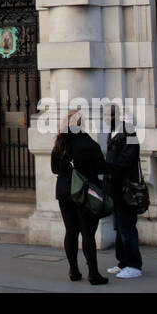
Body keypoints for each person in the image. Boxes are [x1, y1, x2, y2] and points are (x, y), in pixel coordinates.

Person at [50, 107, 108, 285]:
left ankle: (73, 270)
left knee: (71, 231)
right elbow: (101, 169)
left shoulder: (60, 145)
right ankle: (93, 273)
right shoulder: (90, 145)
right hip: (84, 194)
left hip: (64, 193)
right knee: (88, 234)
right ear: (81, 125)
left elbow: (54, 169)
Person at [105, 107, 143, 279]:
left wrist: (108, 167)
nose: (107, 118)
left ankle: (134, 265)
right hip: (115, 189)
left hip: (126, 189)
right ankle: (123, 262)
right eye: (105, 114)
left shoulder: (129, 133)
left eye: (111, 114)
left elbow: (127, 159)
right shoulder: (111, 133)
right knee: (119, 229)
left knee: (127, 228)